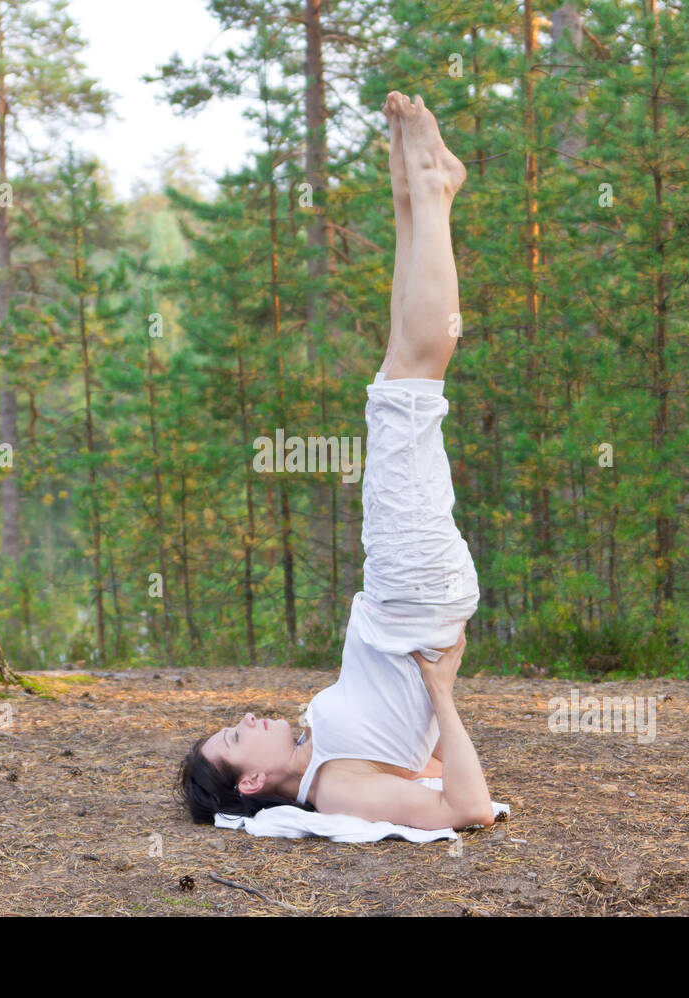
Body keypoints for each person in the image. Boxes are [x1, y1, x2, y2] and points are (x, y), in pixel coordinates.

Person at [176, 92, 495, 831]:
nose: (248, 716)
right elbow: (468, 810)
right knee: (414, 376)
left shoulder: (328, 755)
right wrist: (442, 693)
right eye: (235, 734)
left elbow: (425, 767)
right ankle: (429, 191)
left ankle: (416, 191)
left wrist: (428, 717)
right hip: (412, 593)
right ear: (253, 778)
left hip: (404, 588)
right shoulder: (335, 788)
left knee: (398, 382)